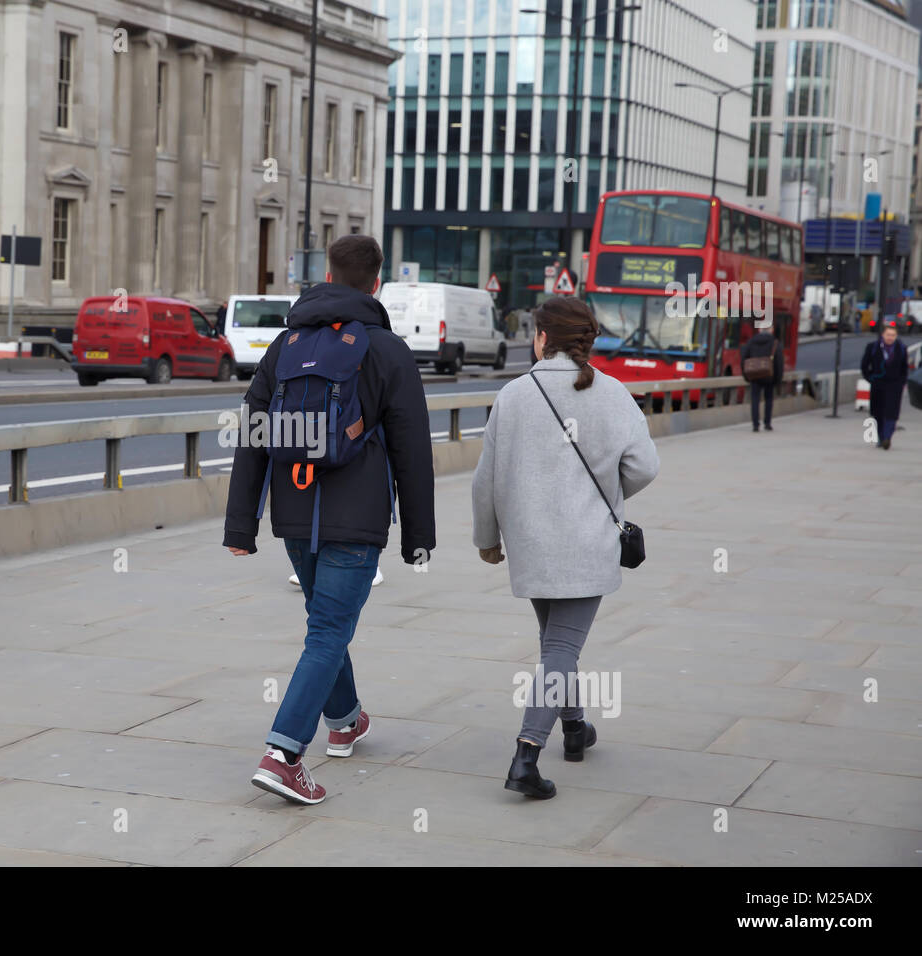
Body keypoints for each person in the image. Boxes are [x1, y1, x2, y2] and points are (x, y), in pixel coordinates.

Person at [224, 234, 436, 805]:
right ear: (376, 282)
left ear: (326, 274)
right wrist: (418, 537)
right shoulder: (387, 350)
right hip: (357, 517)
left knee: (325, 623)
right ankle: (284, 754)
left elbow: (253, 436)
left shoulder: (285, 344)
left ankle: (344, 720)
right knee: (327, 631)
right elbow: (413, 451)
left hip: (295, 513)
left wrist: (240, 525)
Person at [472, 296, 659, 799]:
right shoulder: (613, 393)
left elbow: (484, 478)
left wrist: (488, 538)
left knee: (557, 645)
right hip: (585, 544)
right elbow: (644, 466)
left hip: (532, 544)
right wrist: (607, 499)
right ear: (586, 340)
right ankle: (526, 757)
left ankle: (574, 729)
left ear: (541, 337)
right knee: (560, 648)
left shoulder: (513, 394)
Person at [860, 323, 908, 450]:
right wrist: (870, 378)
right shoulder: (873, 347)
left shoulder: (901, 348)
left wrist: (902, 382)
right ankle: (881, 437)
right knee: (878, 412)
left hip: (894, 385)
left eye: (893, 335)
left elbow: (905, 368)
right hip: (878, 384)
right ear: (883, 335)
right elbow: (865, 365)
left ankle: (887, 437)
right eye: (888, 335)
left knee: (891, 413)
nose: (890, 338)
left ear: (896, 336)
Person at [740, 324, 784, 432]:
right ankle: (767, 423)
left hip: (755, 375)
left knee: (755, 399)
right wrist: (777, 379)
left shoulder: (751, 342)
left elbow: (743, 359)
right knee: (769, 399)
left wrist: (746, 376)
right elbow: (779, 362)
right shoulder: (775, 343)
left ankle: (755, 425)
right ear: (771, 330)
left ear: (759, 329)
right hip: (769, 375)